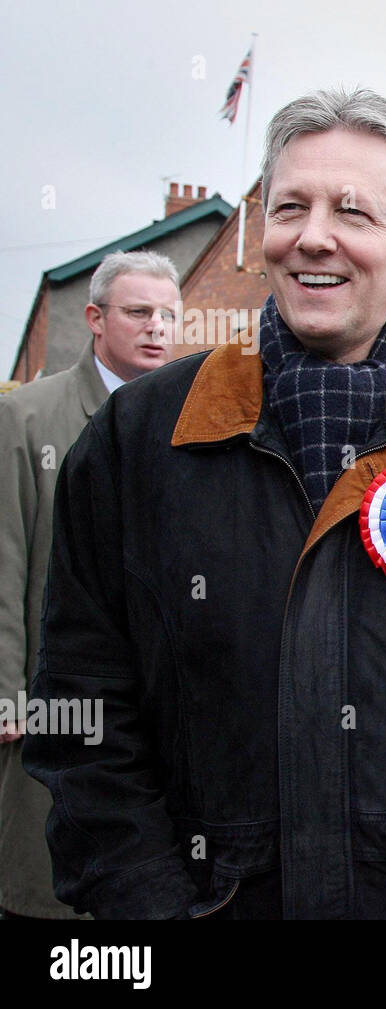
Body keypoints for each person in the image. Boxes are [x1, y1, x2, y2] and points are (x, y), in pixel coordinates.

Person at [24, 88, 386, 919]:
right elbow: (82, 705)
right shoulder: (134, 438)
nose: (314, 235)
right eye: (290, 206)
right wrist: (152, 906)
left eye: (353, 211)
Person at [0, 250, 178, 919]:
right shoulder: (28, 419)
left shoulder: (190, 422)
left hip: (155, 700)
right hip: (54, 698)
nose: (157, 327)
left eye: (168, 314)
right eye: (139, 312)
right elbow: (5, 556)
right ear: (95, 319)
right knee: (47, 885)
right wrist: (6, 693)